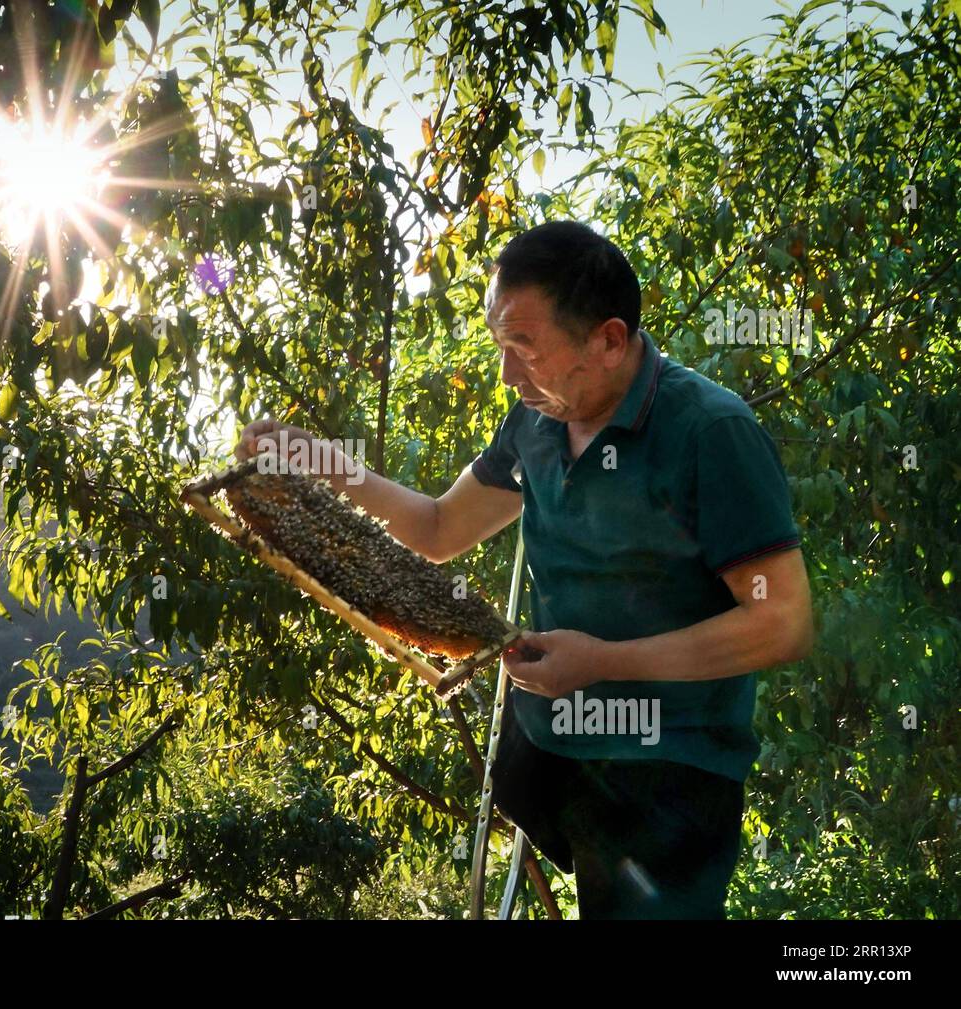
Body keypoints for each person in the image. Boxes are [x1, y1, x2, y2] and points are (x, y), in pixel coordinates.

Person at [235, 219, 813, 919]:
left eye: (524, 347)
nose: (508, 375)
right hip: (547, 745)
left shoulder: (709, 433)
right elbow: (441, 527)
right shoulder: (534, 423)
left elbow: (781, 622)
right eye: (499, 345)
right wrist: (321, 459)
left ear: (608, 339)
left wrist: (605, 661)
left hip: (667, 776)